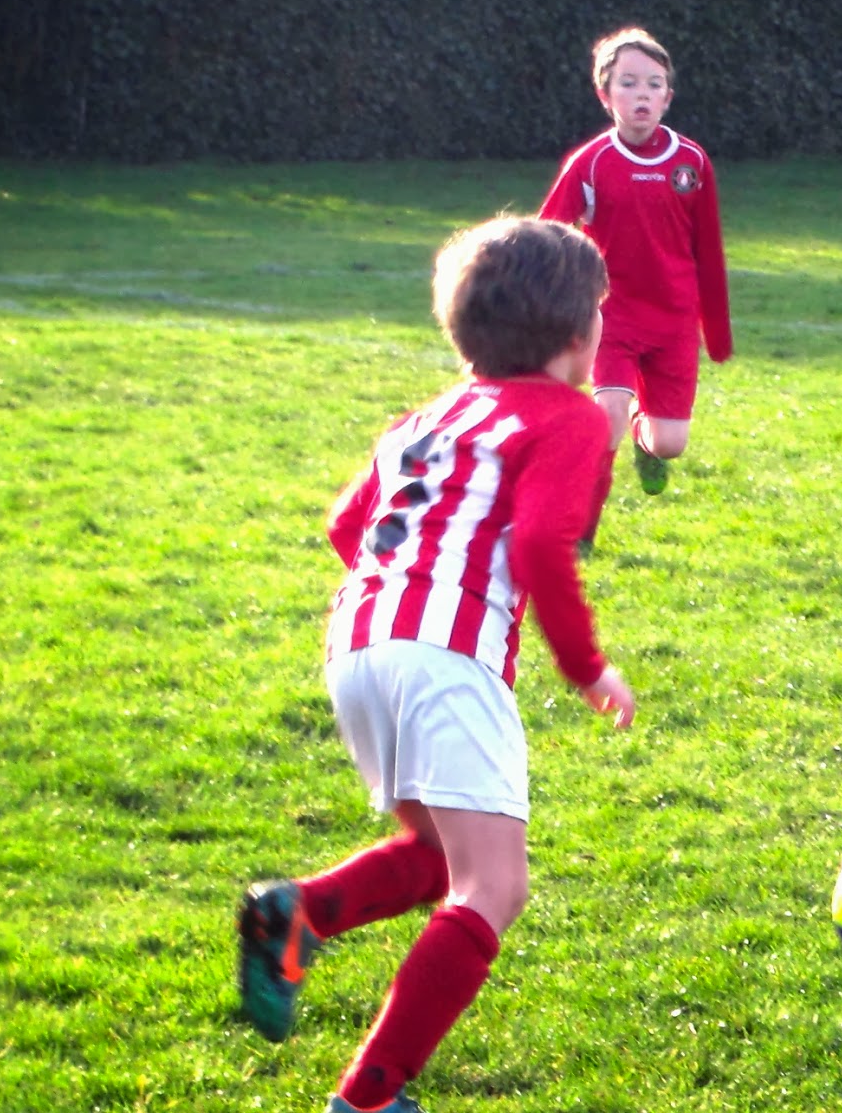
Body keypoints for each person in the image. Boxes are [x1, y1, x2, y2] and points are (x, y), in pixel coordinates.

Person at [235, 217, 637, 1113]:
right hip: (443, 656)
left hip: (359, 645)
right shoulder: (567, 417)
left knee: (431, 858)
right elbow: (539, 542)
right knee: (494, 884)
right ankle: (371, 1097)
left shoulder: (429, 417)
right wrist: (586, 667)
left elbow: (350, 528)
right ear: (579, 335)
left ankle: (297, 914)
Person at [539, 26, 732, 547]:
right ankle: (580, 532)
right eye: (628, 83)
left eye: (653, 84)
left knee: (670, 443)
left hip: (673, 321)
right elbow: (550, 234)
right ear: (605, 96)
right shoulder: (590, 163)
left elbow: (708, 250)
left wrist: (716, 332)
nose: (641, 94)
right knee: (606, 422)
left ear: (667, 97)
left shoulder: (690, 163)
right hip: (612, 319)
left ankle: (649, 447)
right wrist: (547, 305)